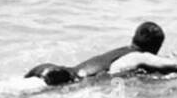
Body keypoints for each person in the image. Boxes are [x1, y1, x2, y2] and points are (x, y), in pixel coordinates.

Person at [25, 22, 167, 86]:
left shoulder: (121, 50)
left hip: (65, 70)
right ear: (157, 47)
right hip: (73, 80)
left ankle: (48, 72)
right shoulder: (141, 59)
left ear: (134, 37)